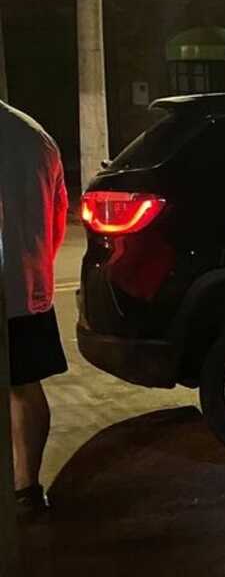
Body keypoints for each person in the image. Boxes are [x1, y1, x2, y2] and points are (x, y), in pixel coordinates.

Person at [1, 101, 69, 519]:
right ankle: (26, 488)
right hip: (24, 286)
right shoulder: (33, 135)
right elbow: (58, 215)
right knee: (25, 385)